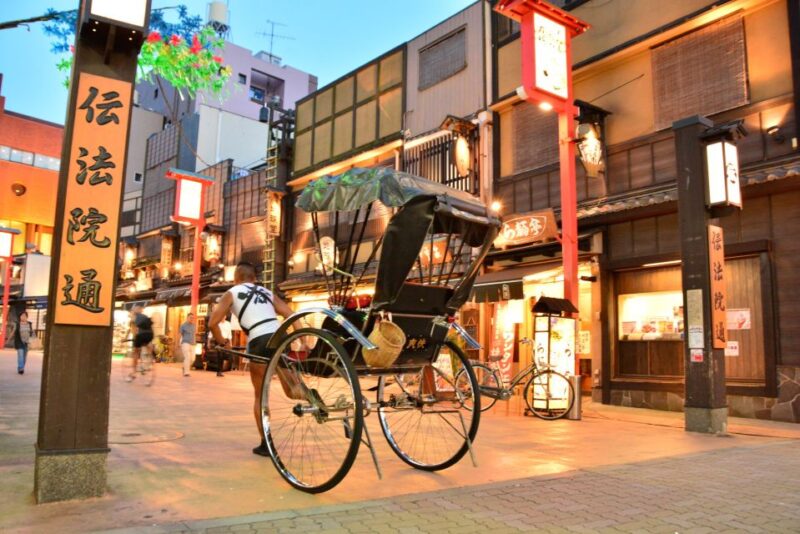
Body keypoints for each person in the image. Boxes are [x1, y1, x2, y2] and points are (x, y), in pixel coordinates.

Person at [208, 261, 294, 457]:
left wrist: (223, 343)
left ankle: (266, 443)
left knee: (260, 396)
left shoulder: (232, 292)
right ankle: (315, 399)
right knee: (293, 389)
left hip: (260, 340)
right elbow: (290, 314)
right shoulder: (266, 292)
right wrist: (301, 340)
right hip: (281, 336)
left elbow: (213, 322)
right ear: (254, 279)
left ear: (236, 278)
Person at [128, 305, 153, 381]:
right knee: (145, 347)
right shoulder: (145, 316)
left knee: (135, 352)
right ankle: (147, 363)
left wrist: (133, 339)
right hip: (150, 335)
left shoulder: (134, 317)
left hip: (141, 335)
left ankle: (133, 373)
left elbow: (134, 330)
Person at [179, 313, 196, 377]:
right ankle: (186, 372)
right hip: (185, 342)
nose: (192, 319)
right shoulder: (183, 325)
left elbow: (194, 334)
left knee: (192, 359)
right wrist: (179, 341)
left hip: (193, 343)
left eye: (193, 318)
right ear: (187, 317)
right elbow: (180, 334)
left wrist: (195, 342)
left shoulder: (194, 325)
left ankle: (184, 367)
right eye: (190, 317)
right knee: (187, 357)